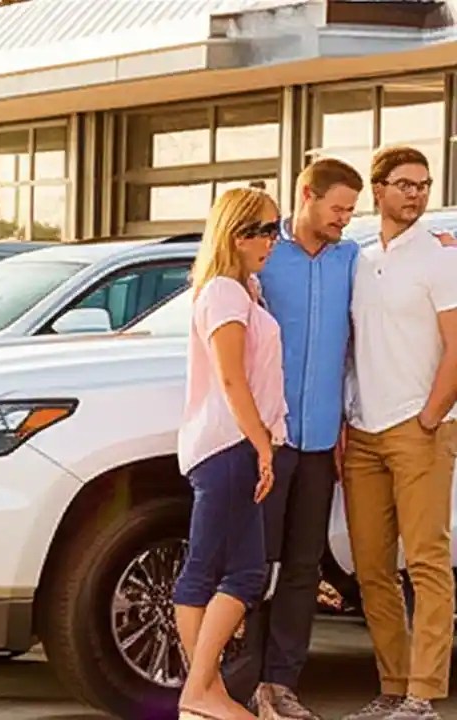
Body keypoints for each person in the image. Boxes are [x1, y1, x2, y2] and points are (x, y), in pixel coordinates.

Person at [340, 146, 457, 720]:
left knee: (427, 563)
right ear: (378, 189)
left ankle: (423, 695)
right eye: (404, 184)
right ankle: (392, 686)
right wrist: (346, 419)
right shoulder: (360, 261)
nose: (415, 194)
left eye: (423, 184)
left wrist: (431, 416)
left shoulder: (441, 257)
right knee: (372, 568)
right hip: (363, 434)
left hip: (420, 428)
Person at [245, 158, 363, 719]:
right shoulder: (266, 256)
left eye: (351, 211)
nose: (345, 219)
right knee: (253, 565)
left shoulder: (351, 259)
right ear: (308, 196)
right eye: (338, 208)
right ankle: (241, 681)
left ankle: (281, 685)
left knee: (301, 568)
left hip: (320, 444)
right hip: (267, 440)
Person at [174, 186, 286, 720]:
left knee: (243, 575)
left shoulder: (244, 289)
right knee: (210, 571)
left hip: (235, 445)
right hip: (228, 446)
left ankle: (205, 693)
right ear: (237, 235)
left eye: (275, 230)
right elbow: (231, 377)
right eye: (264, 231)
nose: (272, 241)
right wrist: (262, 445)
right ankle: (201, 692)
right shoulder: (223, 292)